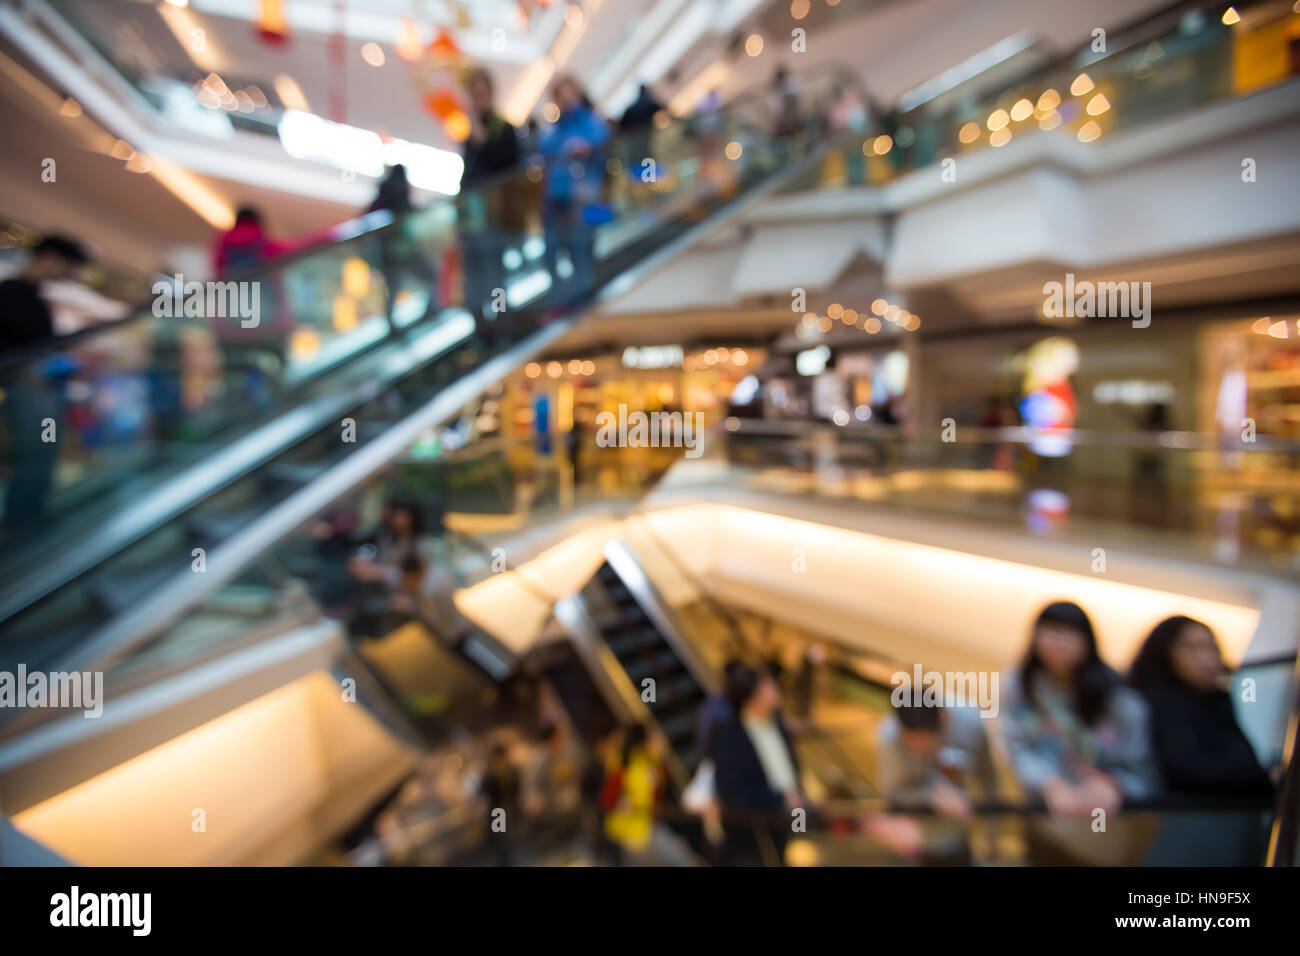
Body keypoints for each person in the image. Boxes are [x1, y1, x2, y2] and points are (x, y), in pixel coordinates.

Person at [1003, 601, 1158, 865]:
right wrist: (1050, 783)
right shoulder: (1020, 685)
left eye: (1067, 633)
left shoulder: (1119, 699)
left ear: (1086, 641)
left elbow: (1142, 771)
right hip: (1046, 822)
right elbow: (1017, 749)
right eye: (1049, 631)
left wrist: (1115, 785)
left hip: (1101, 837)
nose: (1056, 642)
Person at [1129, 615, 1273, 865]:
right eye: (1194, 647)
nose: (1208, 657)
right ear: (1167, 652)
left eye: (1212, 647)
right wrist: (1261, 779)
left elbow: (1243, 759)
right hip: (1181, 831)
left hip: (1231, 830)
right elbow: (1187, 768)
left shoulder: (1219, 701)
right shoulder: (1157, 701)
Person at [0, 236, 88, 539]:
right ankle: (23, 526)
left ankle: (26, 521)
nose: (69, 274)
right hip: (28, 389)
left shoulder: (31, 295)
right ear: (50, 257)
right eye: (69, 266)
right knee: (34, 459)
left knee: (37, 457)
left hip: (34, 388)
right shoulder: (14, 293)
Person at [875, 700, 996, 864]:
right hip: (916, 840)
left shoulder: (971, 724)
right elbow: (891, 791)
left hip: (959, 833)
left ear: (945, 723)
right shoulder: (890, 734)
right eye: (915, 747)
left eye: (928, 747)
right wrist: (931, 796)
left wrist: (992, 836)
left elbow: (989, 779)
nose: (922, 753)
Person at [710, 662, 803, 865]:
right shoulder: (730, 735)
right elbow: (732, 791)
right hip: (752, 831)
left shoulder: (775, 723)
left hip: (782, 823)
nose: (775, 690)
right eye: (767, 687)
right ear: (752, 696)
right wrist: (780, 798)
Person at [459, 69, 521, 343]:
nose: (477, 99)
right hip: (471, 216)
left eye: (481, 93)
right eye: (474, 94)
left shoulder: (501, 128)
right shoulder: (469, 131)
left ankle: (502, 325)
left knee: (495, 274)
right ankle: (480, 327)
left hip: (494, 214)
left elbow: (509, 166)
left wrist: (483, 139)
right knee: (473, 275)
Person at [538, 74, 609, 307]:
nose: (565, 98)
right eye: (560, 94)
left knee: (580, 250)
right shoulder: (555, 129)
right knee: (553, 253)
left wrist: (583, 149)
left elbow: (601, 146)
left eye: (568, 92)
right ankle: (563, 302)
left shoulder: (590, 122)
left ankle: (583, 302)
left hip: (583, 199)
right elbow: (544, 153)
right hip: (556, 201)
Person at [211, 207, 289, 408]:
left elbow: (218, 282)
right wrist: (283, 314)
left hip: (230, 323)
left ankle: (238, 416)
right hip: (264, 322)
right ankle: (275, 409)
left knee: (234, 374)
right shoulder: (264, 243)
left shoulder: (222, 245)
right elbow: (278, 279)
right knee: (277, 370)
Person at [0, 235, 87, 354]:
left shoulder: (17, 294)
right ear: (49, 257)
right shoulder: (20, 299)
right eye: (69, 264)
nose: (72, 272)